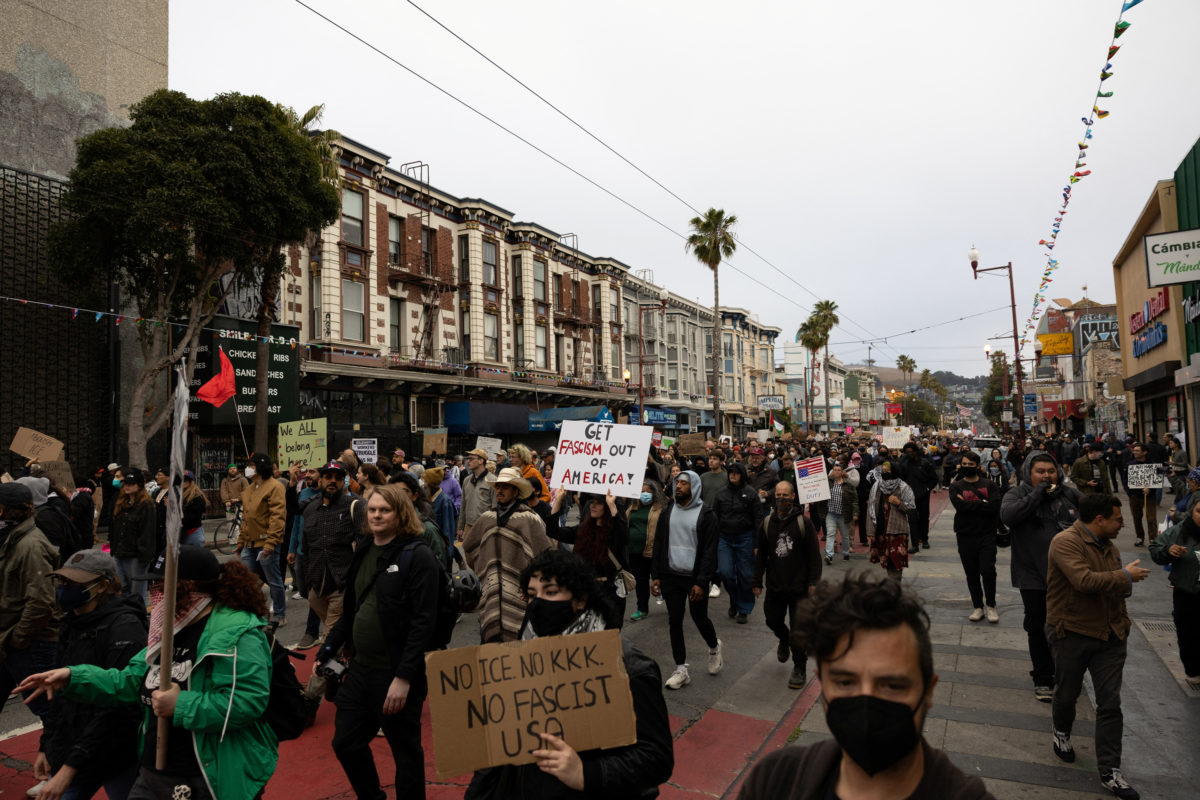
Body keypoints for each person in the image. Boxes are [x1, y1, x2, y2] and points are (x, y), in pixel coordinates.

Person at [19, 546, 278, 800]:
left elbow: (247, 701)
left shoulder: (236, 633)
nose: (154, 592)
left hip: (210, 773)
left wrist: (180, 705)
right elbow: (130, 680)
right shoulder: (170, 628)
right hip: (156, 770)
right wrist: (72, 676)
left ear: (186, 587)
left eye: (159, 584)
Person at [738, 573, 995, 800]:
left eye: (893, 685)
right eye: (845, 682)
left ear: (928, 690)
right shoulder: (773, 782)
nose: (866, 700)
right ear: (822, 684)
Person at [465, 548, 673, 798]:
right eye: (532, 595)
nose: (538, 603)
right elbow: (501, 746)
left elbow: (656, 758)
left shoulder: (627, 667)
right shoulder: (522, 656)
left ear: (580, 599)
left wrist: (586, 773)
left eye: (551, 592)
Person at [317, 484, 442, 800]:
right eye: (372, 509)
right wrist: (328, 647)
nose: (376, 515)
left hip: (396, 672)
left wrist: (403, 678)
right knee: (345, 742)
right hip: (360, 669)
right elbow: (351, 608)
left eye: (384, 510)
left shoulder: (419, 555)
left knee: (405, 751)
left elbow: (423, 623)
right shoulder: (363, 549)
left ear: (400, 513)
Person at [1046, 494, 1149, 800]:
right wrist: (1125, 577)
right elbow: (1083, 580)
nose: (1123, 524)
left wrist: (1123, 621)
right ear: (1100, 520)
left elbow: (1115, 590)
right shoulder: (1065, 542)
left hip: (1110, 635)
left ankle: (1110, 770)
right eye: (1118, 519)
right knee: (1067, 693)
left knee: (1110, 703)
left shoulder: (1111, 547)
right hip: (1072, 632)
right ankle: (1061, 731)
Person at [34, 550, 147, 800]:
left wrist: (69, 769)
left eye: (73, 584)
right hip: (75, 749)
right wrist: (47, 746)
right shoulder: (71, 622)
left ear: (102, 586)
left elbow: (118, 706)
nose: (64, 588)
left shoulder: (124, 627)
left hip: (115, 753)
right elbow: (59, 695)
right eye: (62, 582)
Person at [1000, 451, 1080, 702]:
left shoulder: (1068, 494)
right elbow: (1008, 516)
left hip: (1068, 574)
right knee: (1037, 625)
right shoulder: (1018, 494)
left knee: (1065, 626)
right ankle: (1043, 677)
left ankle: (1063, 673)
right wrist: (1036, 495)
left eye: (1051, 471)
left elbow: (1093, 513)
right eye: (1040, 472)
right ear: (1028, 473)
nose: (1047, 476)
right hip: (1032, 573)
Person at [463, 468, 553, 643]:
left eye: (505, 487)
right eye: (498, 487)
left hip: (520, 592)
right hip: (491, 591)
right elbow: (470, 548)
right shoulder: (487, 517)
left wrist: (533, 586)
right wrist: (484, 574)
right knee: (490, 644)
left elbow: (546, 555)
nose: (500, 491)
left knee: (519, 646)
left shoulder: (529, 518)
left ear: (516, 491)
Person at [650, 470, 722, 690]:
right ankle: (681, 669)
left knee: (699, 618)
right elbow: (659, 545)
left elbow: (710, 552)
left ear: (695, 487)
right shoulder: (668, 511)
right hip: (671, 576)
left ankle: (713, 646)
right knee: (675, 620)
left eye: (684, 483)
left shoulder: (707, 515)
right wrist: (657, 576)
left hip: (694, 578)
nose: (678, 486)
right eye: (677, 482)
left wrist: (701, 582)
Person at [0, 483, 60, 729]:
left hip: (29, 643)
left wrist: (18, 638)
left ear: (3, 510)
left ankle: (60, 761)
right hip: (9, 638)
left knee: (47, 710)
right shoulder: (11, 539)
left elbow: (41, 602)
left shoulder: (30, 545)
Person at [753, 480, 822, 690]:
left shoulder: (804, 523)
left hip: (799, 587)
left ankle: (799, 667)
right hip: (775, 585)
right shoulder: (767, 523)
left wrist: (813, 582)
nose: (781, 498)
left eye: (786, 495)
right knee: (772, 620)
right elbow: (761, 555)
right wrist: (757, 581)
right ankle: (784, 639)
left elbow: (813, 556)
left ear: (793, 497)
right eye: (778, 495)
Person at [549, 489, 629, 627]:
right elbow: (552, 531)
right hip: (584, 593)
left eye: (598, 503)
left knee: (610, 636)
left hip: (610, 593)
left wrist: (612, 505)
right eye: (592, 502)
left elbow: (623, 535)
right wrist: (558, 501)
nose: (593, 506)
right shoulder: (582, 530)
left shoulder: (613, 533)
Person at [1150, 502, 1200, 687]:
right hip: (1186, 592)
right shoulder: (1181, 531)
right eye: (1199, 511)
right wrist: (1169, 551)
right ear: (1192, 512)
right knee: (1188, 632)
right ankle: (1193, 670)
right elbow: (1155, 549)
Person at [949, 452, 1001, 623]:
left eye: (971, 464)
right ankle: (977, 606)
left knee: (988, 570)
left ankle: (991, 606)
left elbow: (994, 507)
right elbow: (959, 507)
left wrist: (969, 504)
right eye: (964, 464)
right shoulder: (956, 486)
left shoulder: (990, 484)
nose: (967, 467)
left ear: (978, 466)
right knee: (971, 573)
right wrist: (982, 504)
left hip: (987, 534)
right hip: (965, 534)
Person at [237, 451, 288, 627]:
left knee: (274, 580)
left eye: (251, 466)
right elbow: (246, 517)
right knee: (248, 581)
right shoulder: (249, 489)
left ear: (260, 467)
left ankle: (280, 614)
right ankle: (253, 612)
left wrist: (271, 542)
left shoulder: (275, 486)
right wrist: (240, 542)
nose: (248, 469)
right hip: (248, 544)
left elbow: (277, 517)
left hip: (266, 543)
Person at [711, 461, 762, 623]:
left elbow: (758, 520)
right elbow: (715, 518)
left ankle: (744, 608)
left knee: (746, 575)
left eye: (736, 472)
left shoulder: (751, 494)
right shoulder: (720, 494)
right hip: (724, 538)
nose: (733, 474)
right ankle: (734, 599)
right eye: (730, 472)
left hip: (745, 537)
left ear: (742, 474)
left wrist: (757, 544)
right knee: (725, 572)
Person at [108, 468, 157, 604]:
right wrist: (113, 548)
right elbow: (116, 528)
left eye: (131, 483)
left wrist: (144, 557)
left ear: (140, 485)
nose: (127, 486)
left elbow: (148, 533)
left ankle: (138, 618)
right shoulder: (122, 502)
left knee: (136, 592)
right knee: (121, 589)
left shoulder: (146, 505)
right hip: (119, 552)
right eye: (125, 483)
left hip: (135, 556)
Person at [867, 461, 916, 581]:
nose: (884, 472)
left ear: (894, 472)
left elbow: (912, 509)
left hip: (897, 531)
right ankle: (893, 586)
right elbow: (871, 508)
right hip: (881, 530)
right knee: (887, 561)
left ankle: (895, 587)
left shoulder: (903, 487)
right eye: (883, 470)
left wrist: (899, 503)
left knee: (896, 561)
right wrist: (870, 530)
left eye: (887, 470)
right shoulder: (876, 486)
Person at [625, 479, 665, 623]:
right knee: (641, 582)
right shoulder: (632, 507)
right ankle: (642, 609)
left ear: (655, 493)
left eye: (648, 491)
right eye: (642, 491)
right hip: (635, 552)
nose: (645, 494)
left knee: (660, 579)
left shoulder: (661, 508)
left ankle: (667, 597)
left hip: (654, 552)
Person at [898, 442, 937, 552]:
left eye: (911, 452)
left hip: (923, 496)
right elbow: (900, 479)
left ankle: (924, 540)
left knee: (924, 519)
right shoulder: (904, 465)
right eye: (907, 452)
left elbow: (934, 478)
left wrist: (927, 489)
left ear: (915, 451)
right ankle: (914, 544)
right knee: (912, 520)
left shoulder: (925, 463)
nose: (909, 454)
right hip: (910, 497)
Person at [1123, 444, 1159, 548]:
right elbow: (1125, 480)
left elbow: (1156, 480)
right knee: (1137, 517)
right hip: (1134, 496)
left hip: (1149, 496)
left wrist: (1150, 488)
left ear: (1144, 452)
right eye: (1134, 450)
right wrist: (1129, 492)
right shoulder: (1129, 465)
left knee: (1151, 518)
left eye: (1137, 450)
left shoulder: (1152, 464)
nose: (1135, 452)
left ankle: (1153, 538)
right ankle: (1140, 537)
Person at [824, 462, 859, 564]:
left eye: (839, 470)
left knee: (845, 536)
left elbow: (855, 500)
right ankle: (829, 555)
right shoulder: (828, 483)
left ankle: (846, 552)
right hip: (830, 513)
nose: (837, 472)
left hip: (844, 514)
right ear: (832, 471)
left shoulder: (848, 485)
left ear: (842, 472)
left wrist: (855, 513)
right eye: (835, 470)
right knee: (830, 534)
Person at [457, 449, 495, 541]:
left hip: (486, 527)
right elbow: (463, 505)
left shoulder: (492, 481)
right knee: (469, 554)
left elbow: (495, 508)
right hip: (469, 526)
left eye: (471, 459)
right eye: (468, 459)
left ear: (481, 461)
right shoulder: (467, 480)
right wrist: (460, 527)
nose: (468, 461)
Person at [423, 466, 458, 557]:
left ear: (430, 483)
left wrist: (448, 554)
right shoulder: (426, 496)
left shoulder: (445, 501)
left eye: (425, 481)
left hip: (440, 549)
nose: (424, 484)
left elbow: (448, 530)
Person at [180, 470, 209, 547]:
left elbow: (193, 517)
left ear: (191, 482)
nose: (183, 482)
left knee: (195, 558)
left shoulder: (197, 496)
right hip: (182, 533)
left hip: (193, 533)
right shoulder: (178, 494)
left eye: (185, 480)